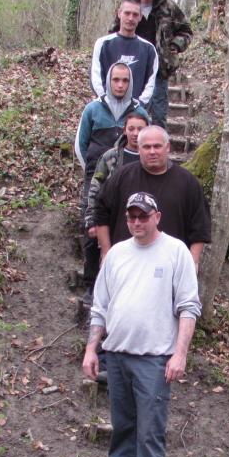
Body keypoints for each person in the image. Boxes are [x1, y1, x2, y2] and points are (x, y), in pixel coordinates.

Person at [82, 192, 201, 457]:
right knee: (123, 428)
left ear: (156, 217)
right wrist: (91, 349)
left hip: (154, 359)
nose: (136, 221)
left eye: (143, 216)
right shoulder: (117, 255)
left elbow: (188, 306)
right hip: (117, 355)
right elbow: (100, 307)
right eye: (131, 216)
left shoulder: (175, 252)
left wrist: (180, 354)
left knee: (149, 433)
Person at [93, 126, 210, 268]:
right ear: (139, 149)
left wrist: (192, 262)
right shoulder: (122, 177)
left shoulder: (187, 182)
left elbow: (200, 227)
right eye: (147, 147)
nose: (152, 151)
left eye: (157, 146)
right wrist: (106, 252)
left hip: (169, 266)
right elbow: (101, 213)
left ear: (167, 147)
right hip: (125, 264)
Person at [80, 111, 149, 312]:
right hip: (110, 214)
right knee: (95, 245)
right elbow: (96, 186)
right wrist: (91, 218)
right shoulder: (111, 157)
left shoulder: (150, 158)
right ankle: (92, 288)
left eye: (140, 129)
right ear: (124, 130)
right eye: (131, 128)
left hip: (139, 216)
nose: (135, 133)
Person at [110, 0, 193, 127]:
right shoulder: (129, 6)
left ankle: (156, 143)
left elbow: (187, 31)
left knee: (159, 116)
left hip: (159, 69)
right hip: (131, 67)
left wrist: (176, 45)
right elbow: (113, 32)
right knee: (130, 115)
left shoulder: (168, 7)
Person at [91, 0, 158, 107]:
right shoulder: (103, 44)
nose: (130, 18)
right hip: (106, 108)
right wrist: (107, 101)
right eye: (127, 13)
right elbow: (96, 77)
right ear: (119, 13)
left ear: (140, 17)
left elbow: (151, 83)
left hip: (135, 112)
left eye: (135, 14)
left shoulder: (149, 49)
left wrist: (138, 105)